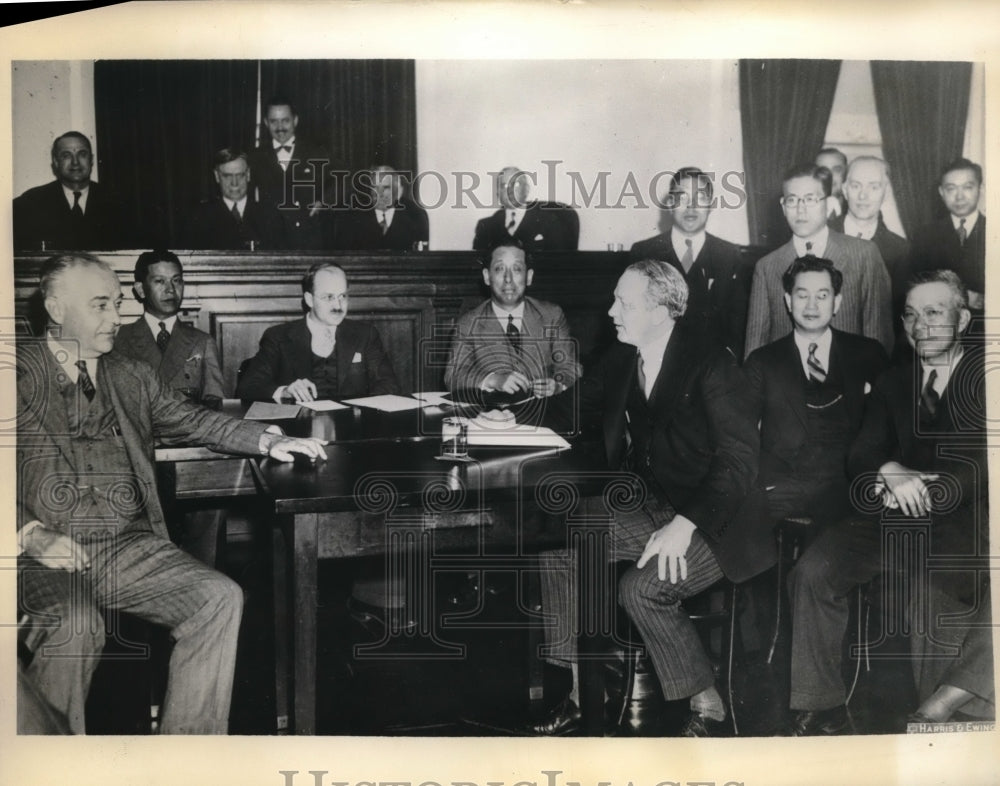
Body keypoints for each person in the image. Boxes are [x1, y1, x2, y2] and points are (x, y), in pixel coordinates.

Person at [16, 253, 327, 734]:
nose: (114, 318)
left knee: (218, 597)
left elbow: (196, 420)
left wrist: (270, 439)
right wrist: (30, 533)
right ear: (56, 310)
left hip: (125, 547)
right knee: (75, 625)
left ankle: (187, 758)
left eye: (117, 304)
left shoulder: (130, 374)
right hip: (39, 554)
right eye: (100, 305)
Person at [533, 259, 771, 737]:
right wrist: (496, 416)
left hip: (720, 521)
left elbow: (739, 464)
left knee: (640, 589)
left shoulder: (712, 362)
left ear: (662, 311)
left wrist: (684, 525)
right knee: (560, 540)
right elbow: (568, 407)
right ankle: (583, 691)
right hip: (651, 507)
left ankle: (708, 707)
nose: (611, 311)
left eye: (624, 302)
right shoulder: (625, 356)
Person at [784, 270, 989, 735]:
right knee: (813, 571)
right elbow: (862, 453)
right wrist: (891, 473)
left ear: (962, 319)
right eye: (911, 316)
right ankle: (820, 706)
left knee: (931, 587)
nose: (920, 327)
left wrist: (919, 487)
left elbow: (978, 467)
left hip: (961, 522)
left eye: (934, 314)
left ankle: (943, 720)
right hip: (891, 517)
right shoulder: (895, 379)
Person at [744, 256, 889, 533]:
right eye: (802, 295)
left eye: (822, 296)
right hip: (784, 485)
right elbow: (742, 433)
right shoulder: (763, 361)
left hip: (851, 484)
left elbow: (891, 427)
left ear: (836, 303)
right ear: (788, 301)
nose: (811, 306)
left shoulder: (868, 353)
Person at [744, 163, 893, 358]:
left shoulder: (864, 255)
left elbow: (878, 336)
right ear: (783, 207)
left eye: (810, 199)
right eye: (792, 200)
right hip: (786, 384)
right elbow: (755, 347)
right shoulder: (766, 267)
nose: (800, 209)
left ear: (829, 204)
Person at [629, 166, 751, 357]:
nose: (691, 206)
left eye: (700, 198)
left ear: (710, 204)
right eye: (682, 198)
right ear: (670, 203)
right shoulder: (644, 252)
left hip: (712, 365)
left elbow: (737, 324)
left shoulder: (729, 255)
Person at [237, 262, 400, 403]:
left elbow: (389, 385)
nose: (338, 305)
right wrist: (285, 391)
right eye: (328, 297)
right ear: (309, 299)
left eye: (343, 296)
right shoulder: (279, 337)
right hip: (298, 431)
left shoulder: (365, 335)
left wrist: (359, 409)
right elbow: (248, 387)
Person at [444, 240, 580, 397]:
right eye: (500, 269)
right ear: (487, 277)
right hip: (492, 415)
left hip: (545, 413)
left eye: (517, 269)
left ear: (529, 277)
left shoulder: (551, 315)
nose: (508, 279)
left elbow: (570, 367)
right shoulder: (468, 324)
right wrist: (493, 380)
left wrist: (558, 385)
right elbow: (452, 376)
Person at [114, 250, 225, 409]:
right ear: (140, 289)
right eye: (160, 281)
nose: (171, 289)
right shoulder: (120, 339)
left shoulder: (202, 342)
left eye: (176, 280)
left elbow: (214, 405)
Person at [13, 131, 128, 250]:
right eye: (66, 155)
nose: (75, 162)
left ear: (91, 160)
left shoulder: (118, 202)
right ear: (56, 162)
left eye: (82, 154)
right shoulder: (29, 204)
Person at [248, 96, 336, 250]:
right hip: (270, 241)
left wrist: (323, 201)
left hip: (308, 239)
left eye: (285, 120)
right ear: (266, 123)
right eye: (274, 121)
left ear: (295, 121)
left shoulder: (316, 152)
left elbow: (342, 181)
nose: (280, 127)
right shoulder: (255, 157)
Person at [829, 156, 911, 318]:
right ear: (845, 190)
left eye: (873, 187)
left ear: (885, 192)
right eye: (855, 186)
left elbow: (899, 316)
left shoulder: (901, 250)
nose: (863, 196)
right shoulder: (820, 235)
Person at [910, 158, 985, 313]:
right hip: (941, 329)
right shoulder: (924, 236)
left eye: (967, 187)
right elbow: (917, 286)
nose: (959, 197)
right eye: (951, 189)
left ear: (980, 189)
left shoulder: (994, 231)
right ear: (941, 192)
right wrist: (963, 296)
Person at [184, 147, 287, 250]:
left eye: (240, 175)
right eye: (227, 176)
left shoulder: (270, 216)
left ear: (248, 174)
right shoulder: (200, 218)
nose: (234, 183)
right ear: (216, 176)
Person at [473, 166, 579, 253]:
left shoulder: (550, 221)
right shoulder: (486, 227)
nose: (510, 190)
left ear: (527, 190)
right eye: (504, 186)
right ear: (498, 194)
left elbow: (559, 264)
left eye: (516, 184)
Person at [335, 165, 429, 251]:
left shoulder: (416, 216)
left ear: (399, 191)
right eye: (375, 187)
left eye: (386, 187)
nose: (379, 193)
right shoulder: (353, 217)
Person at [815, 148, 848, 220]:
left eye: (836, 170)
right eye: (823, 170)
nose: (830, 175)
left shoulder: (856, 209)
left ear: (846, 173)